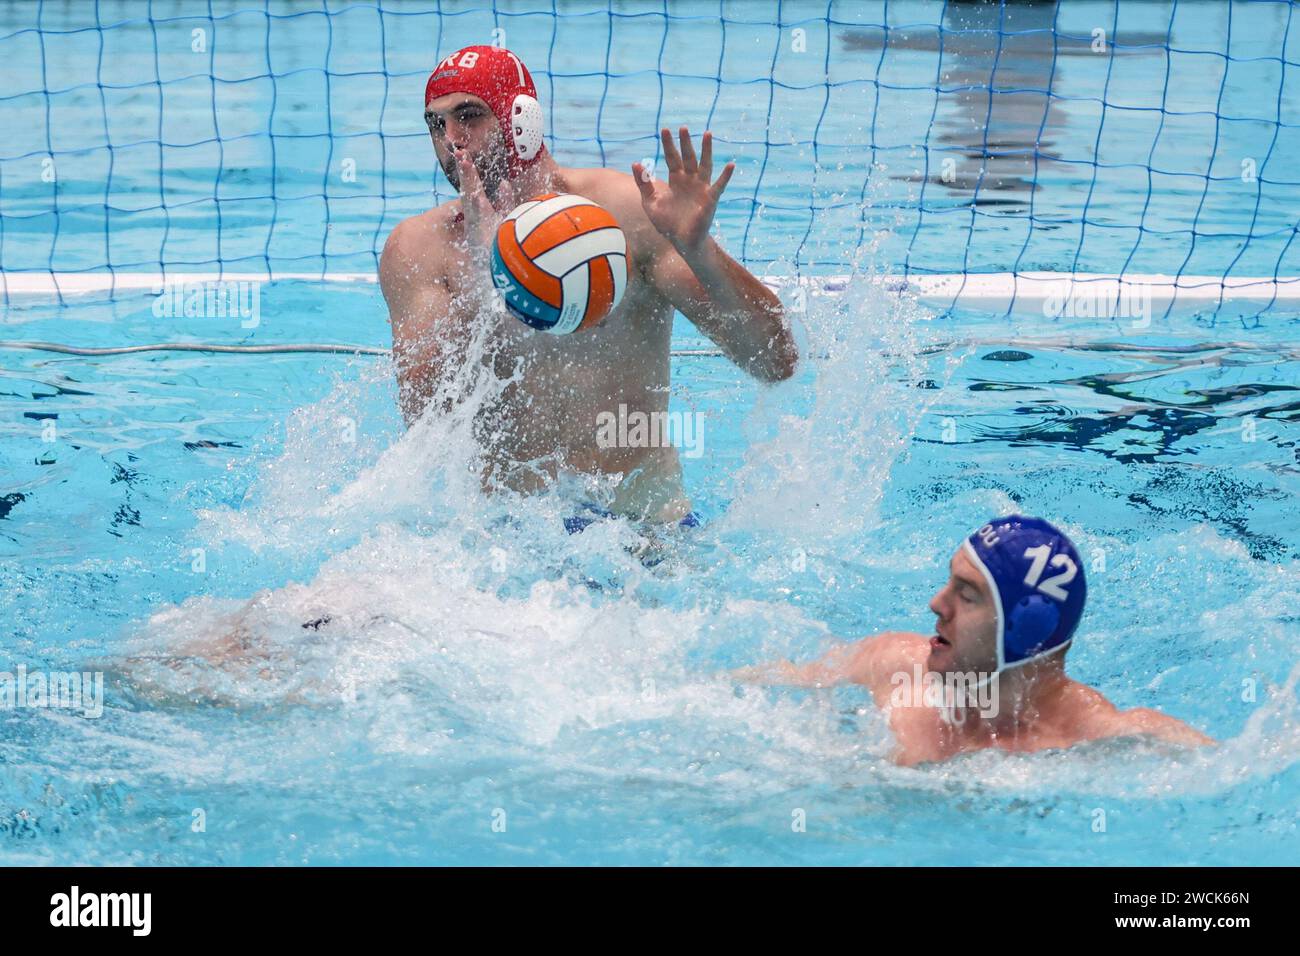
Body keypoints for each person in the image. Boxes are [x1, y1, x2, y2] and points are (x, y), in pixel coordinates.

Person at [380, 44, 797, 526]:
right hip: (505, 539)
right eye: (436, 123)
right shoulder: (419, 248)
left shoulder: (626, 214)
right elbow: (428, 424)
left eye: (468, 116)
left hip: (639, 535)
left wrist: (700, 253)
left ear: (521, 122)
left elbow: (774, 361)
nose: (451, 138)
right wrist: (483, 273)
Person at [736, 515, 1215, 766]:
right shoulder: (891, 664)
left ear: (1025, 630)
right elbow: (733, 694)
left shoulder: (1107, 740)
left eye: (965, 595)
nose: (935, 604)